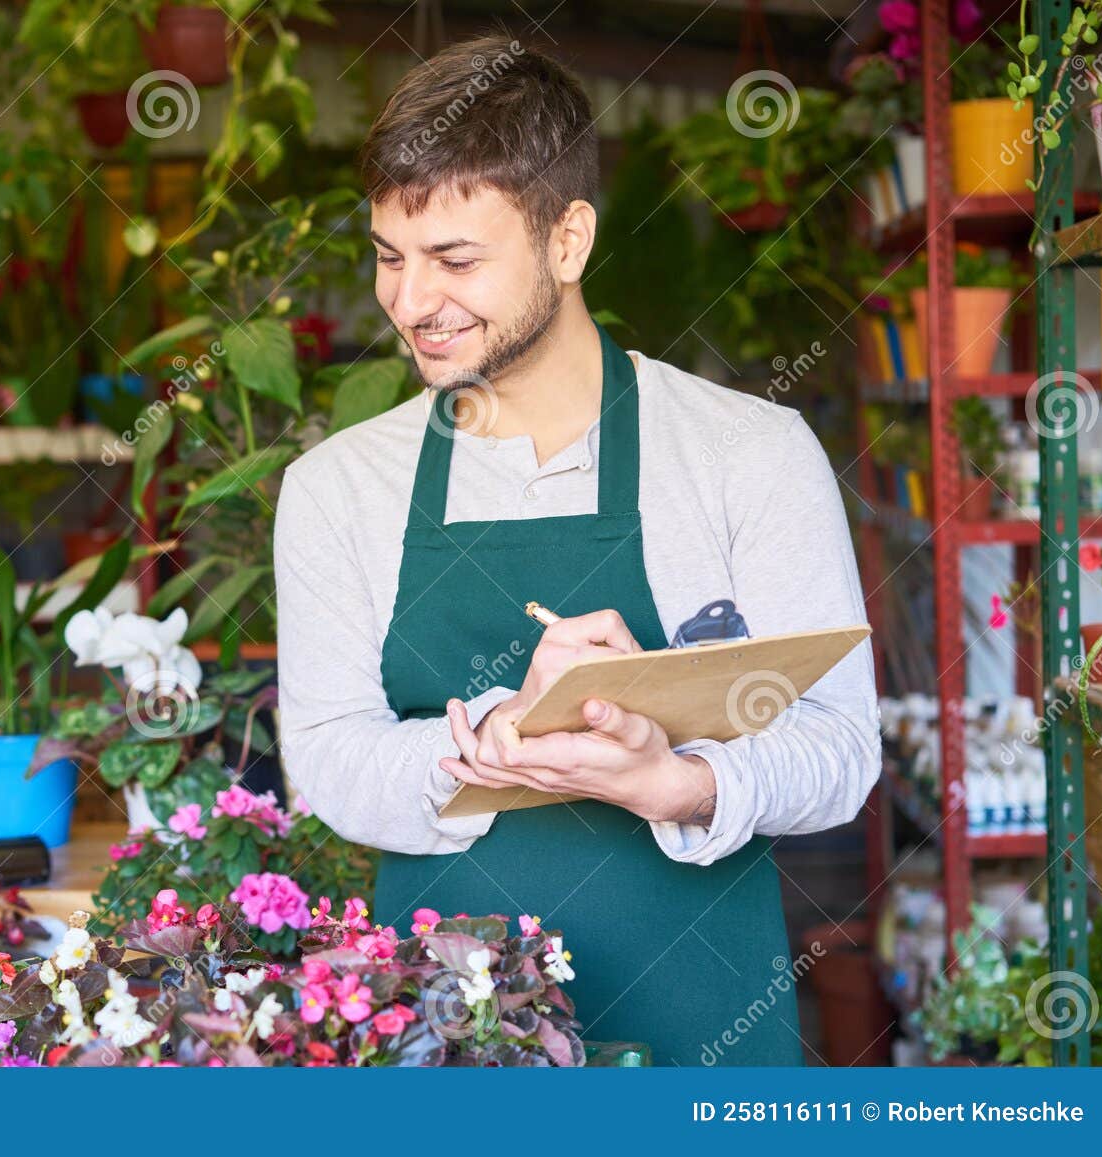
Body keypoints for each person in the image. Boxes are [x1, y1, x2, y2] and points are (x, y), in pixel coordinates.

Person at [272, 35, 880, 1066]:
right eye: (388, 254)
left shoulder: (746, 454)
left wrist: (677, 779)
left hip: (703, 1029)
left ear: (567, 240)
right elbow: (327, 759)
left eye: (455, 259)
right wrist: (496, 741)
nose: (411, 302)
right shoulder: (339, 487)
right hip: (449, 1041)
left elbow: (838, 750)